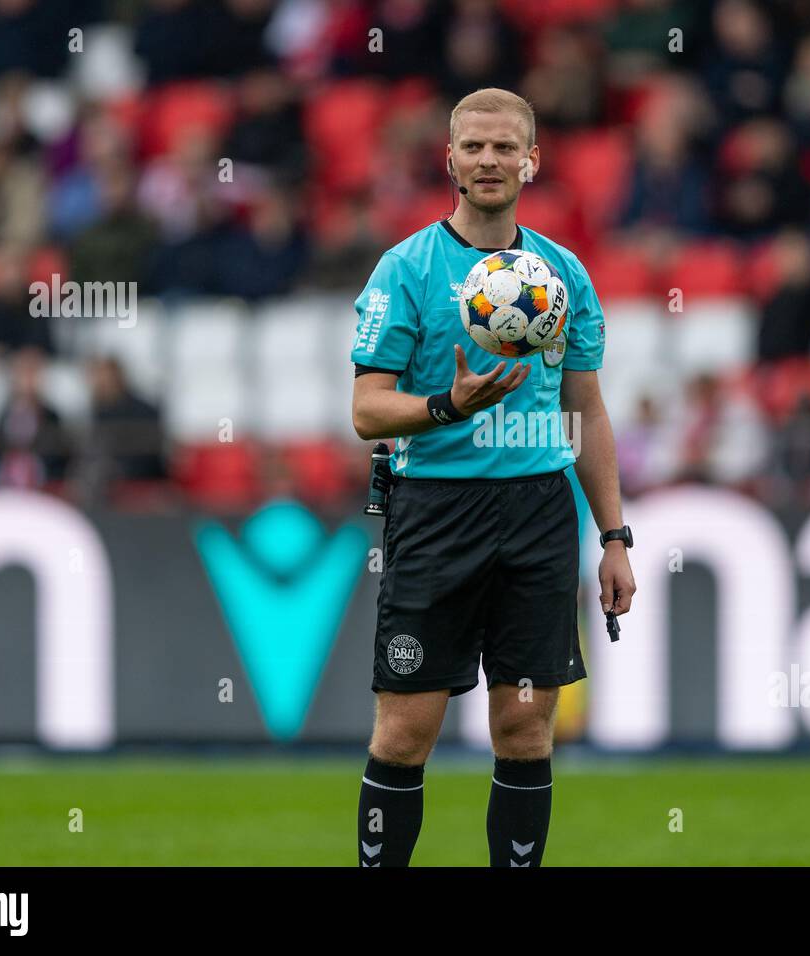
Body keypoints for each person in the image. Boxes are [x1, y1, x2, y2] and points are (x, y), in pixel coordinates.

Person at [350, 88, 636, 868]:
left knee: (523, 727)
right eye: (473, 147)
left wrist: (614, 536)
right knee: (407, 733)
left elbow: (588, 410)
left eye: (505, 147)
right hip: (436, 511)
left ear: (531, 161)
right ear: (449, 158)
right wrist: (448, 405)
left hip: (539, 514)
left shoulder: (564, 274)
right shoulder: (405, 269)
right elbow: (368, 412)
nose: (488, 160)